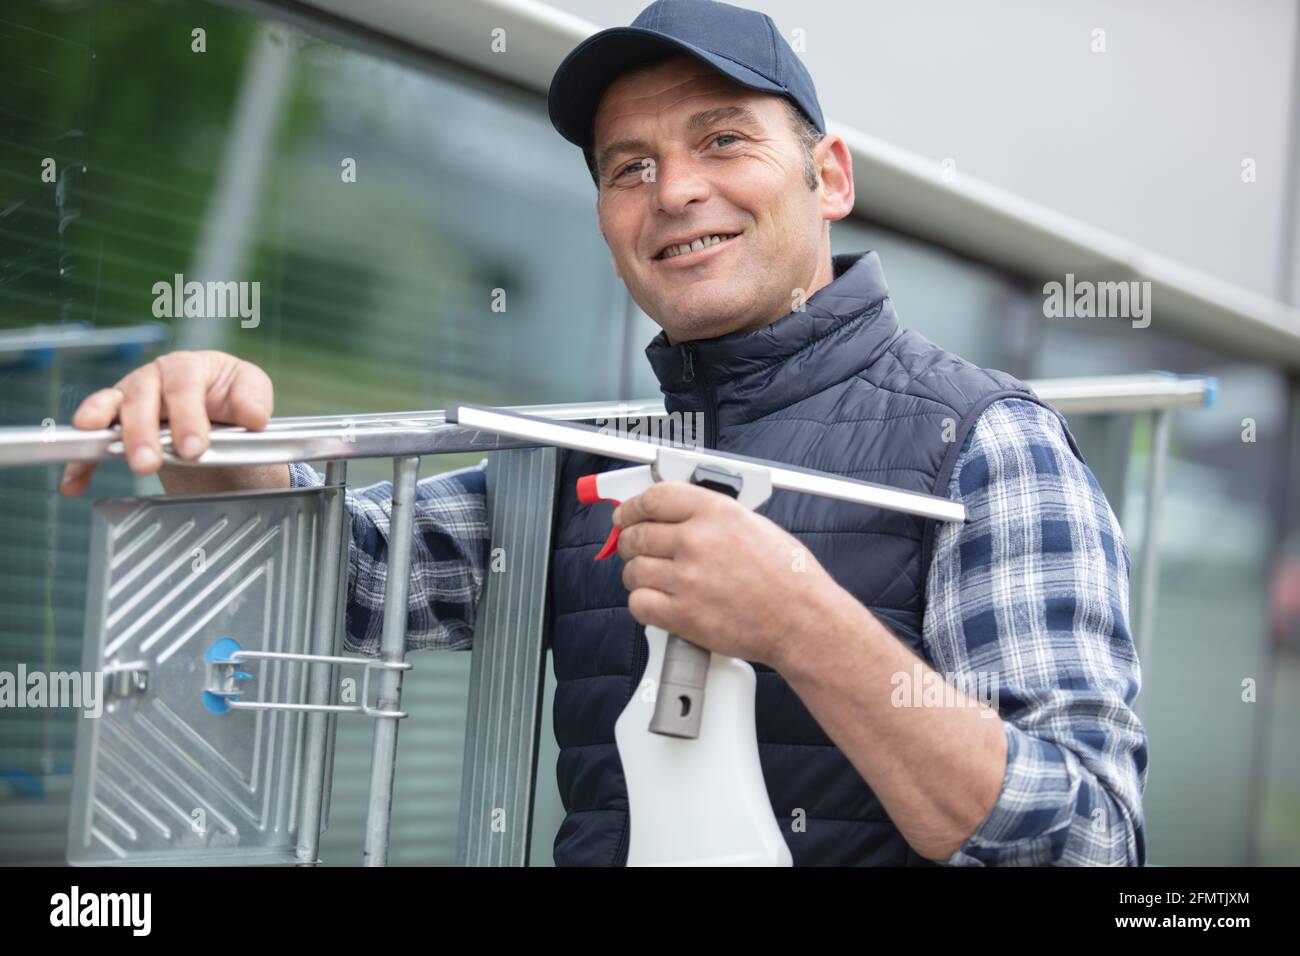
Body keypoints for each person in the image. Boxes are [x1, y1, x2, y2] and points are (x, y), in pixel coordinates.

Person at [61, 0, 1147, 866]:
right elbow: (343, 579)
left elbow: (1089, 840)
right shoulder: (582, 462)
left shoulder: (984, 442)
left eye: (722, 139)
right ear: (605, 219)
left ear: (828, 178)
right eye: (629, 165)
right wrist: (210, 440)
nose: (674, 189)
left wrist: (805, 626)